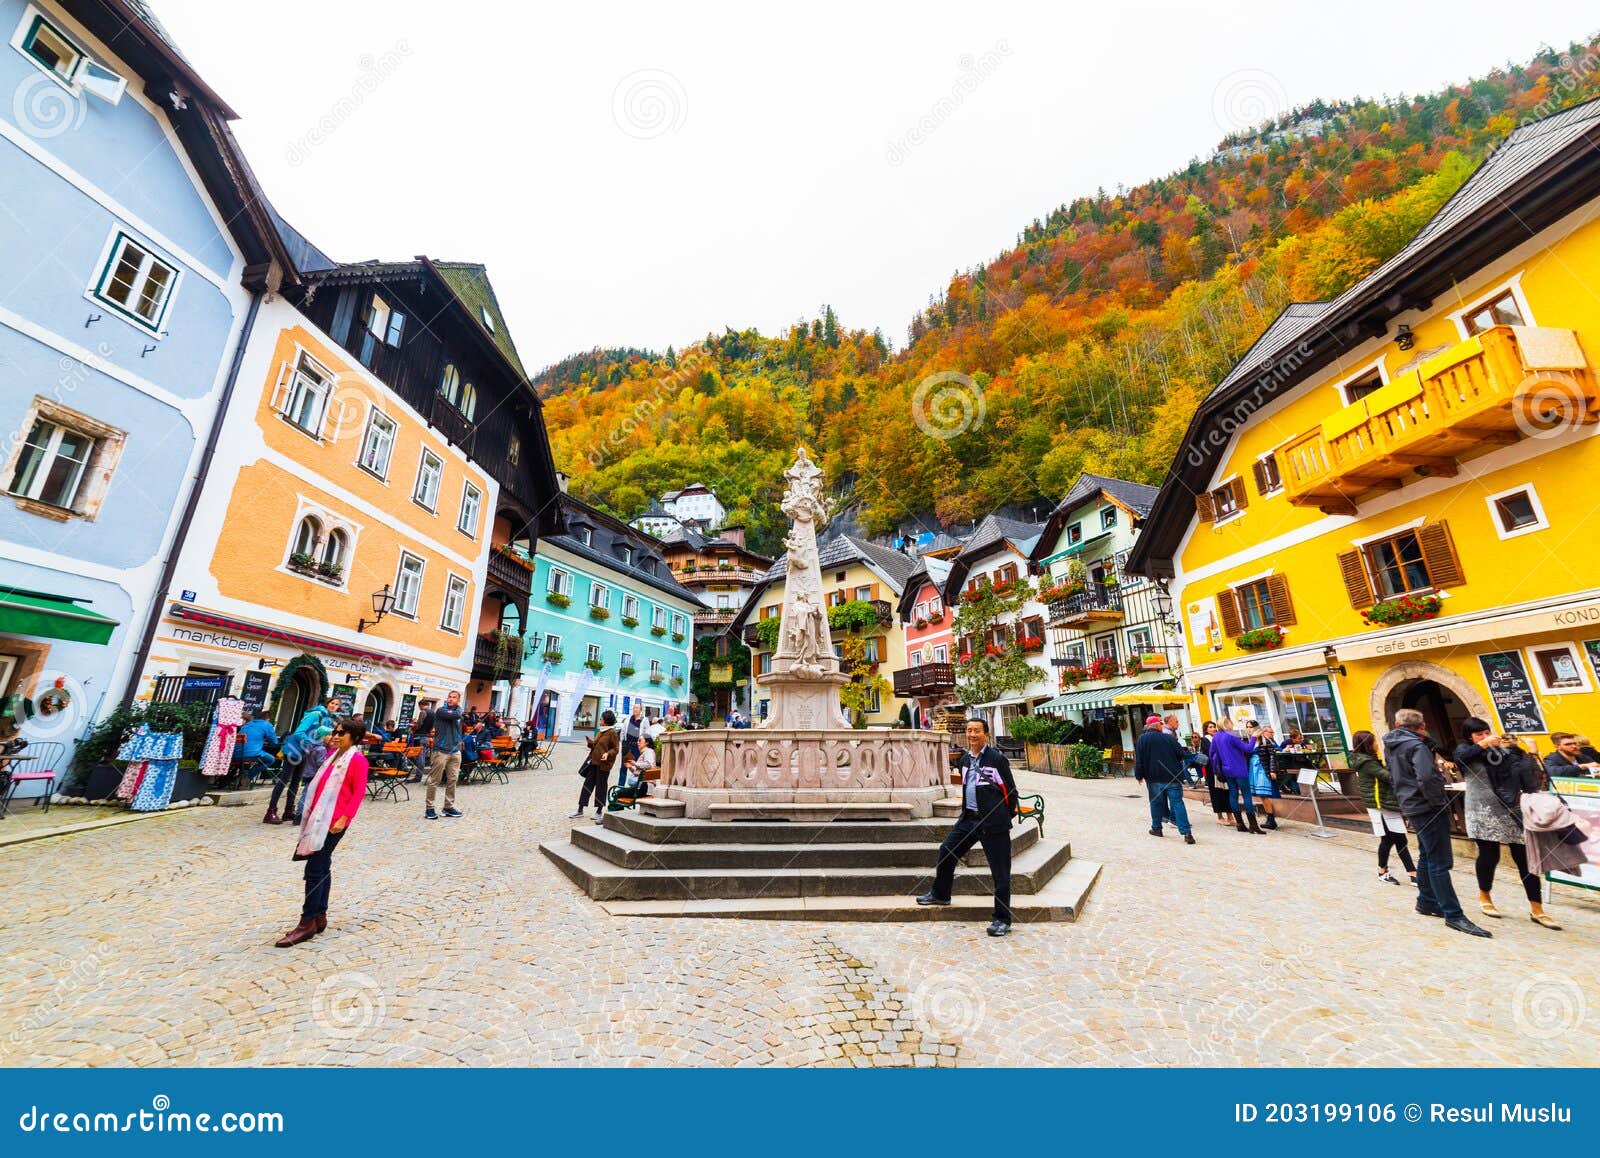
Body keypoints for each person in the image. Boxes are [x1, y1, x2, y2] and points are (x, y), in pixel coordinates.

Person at [1385, 708, 1491, 938]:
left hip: (1410, 804)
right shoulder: (1417, 746)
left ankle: (1427, 901)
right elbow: (1425, 777)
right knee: (1439, 862)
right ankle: (1453, 914)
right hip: (1427, 806)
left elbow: (1395, 776)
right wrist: (1439, 802)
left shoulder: (1392, 744)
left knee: (1427, 854)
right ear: (1422, 726)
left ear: (1396, 724)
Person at [916, 717, 1018, 937]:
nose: (972, 735)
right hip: (969, 819)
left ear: (986, 734)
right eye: (969, 731)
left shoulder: (997, 759)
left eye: (977, 731)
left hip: (992, 822)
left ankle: (1002, 919)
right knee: (947, 850)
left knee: (1000, 872)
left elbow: (1011, 792)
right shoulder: (963, 760)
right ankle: (941, 894)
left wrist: (1002, 816)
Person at [1453, 719, 1559, 930]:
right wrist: (1483, 745)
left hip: (1511, 808)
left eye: (1486, 732)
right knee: (1490, 855)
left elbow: (1529, 777)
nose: (1484, 736)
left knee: (1524, 858)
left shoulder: (1505, 751)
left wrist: (1530, 752)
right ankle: (1485, 895)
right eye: (1478, 734)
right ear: (1470, 737)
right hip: (1483, 809)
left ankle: (1537, 909)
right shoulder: (1465, 749)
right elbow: (1460, 759)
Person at [275, 716, 370, 947]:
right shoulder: (334, 757)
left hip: (334, 821)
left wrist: (345, 818)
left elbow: (357, 793)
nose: (335, 736)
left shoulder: (357, 760)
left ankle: (306, 922)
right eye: (335, 732)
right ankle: (319, 916)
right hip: (319, 818)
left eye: (341, 734)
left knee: (315, 868)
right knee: (321, 866)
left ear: (354, 738)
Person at [1350, 729, 1416, 886]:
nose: (1376, 744)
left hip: (1385, 804)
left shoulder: (1368, 760)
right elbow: (1387, 777)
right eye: (1373, 741)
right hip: (1379, 805)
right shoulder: (1367, 763)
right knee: (1388, 840)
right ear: (1367, 744)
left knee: (1400, 838)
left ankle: (1413, 873)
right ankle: (1383, 871)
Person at [265, 699, 335, 825]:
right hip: (294, 750)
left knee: (296, 781)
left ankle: (288, 810)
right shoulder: (315, 715)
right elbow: (299, 732)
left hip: (304, 752)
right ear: (326, 704)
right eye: (332, 703)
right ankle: (271, 811)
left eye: (337, 705)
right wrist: (309, 743)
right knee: (284, 780)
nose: (334, 706)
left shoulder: (326, 719)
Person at [1135, 714, 1195, 843]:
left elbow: (1139, 760)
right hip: (1172, 777)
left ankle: (1157, 828)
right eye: (1161, 724)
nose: (1163, 726)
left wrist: (1139, 775)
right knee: (1178, 803)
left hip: (1154, 777)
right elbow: (1181, 755)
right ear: (1157, 725)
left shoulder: (1142, 739)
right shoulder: (1169, 738)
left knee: (1156, 803)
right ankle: (1187, 833)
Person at [415, 690, 465, 821]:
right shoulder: (442, 711)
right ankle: (429, 808)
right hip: (441, 751)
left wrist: (458, 744)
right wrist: (459, 709)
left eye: (454, 697)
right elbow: (455, 714)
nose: (451, 699)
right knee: (434, 780)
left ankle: (448, 807)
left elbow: (459, 729)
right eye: (449, 697)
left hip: (455, 751)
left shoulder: (458, 714)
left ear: (458, 699)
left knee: (452, 780)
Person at [1210, 716, 1261, 834]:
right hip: (1239, 768)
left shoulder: (1216, 737)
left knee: (1233, 794)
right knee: (1246, 795)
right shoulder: (1232, 736)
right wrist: (1254, 737)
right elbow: (1248, 749)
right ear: (1228, 724)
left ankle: (1240, 824)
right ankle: (1253, 825)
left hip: (1226, 769)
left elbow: (1212, 753)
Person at [573, 710, 620, 823]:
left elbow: (616, 749)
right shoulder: (600, 731)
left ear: (606, 720)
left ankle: (599, 811)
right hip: (593, 763)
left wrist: (607, 754)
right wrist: (590, 743)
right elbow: (596, 745)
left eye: (601, 719)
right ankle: (580, 809)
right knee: (587, 786)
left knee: (601, 787)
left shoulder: (612, 733)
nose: (600, 720)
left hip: (603, 765)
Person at [1248, 724, 1281, 830]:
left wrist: (1272, 770)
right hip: (1254, 769)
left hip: (1262, 768)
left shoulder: (1265, 740)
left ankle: (1271, 819)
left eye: (1251, 726)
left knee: (1264, 794)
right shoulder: (1251, 741)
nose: (1249, 729)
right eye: (1247, 726)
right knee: (1261, 795)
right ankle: (1270, 818)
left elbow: (1272, 755)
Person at [1198, 720, 1230, 825]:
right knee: (1216, 792)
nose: (1213, 729)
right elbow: (1210, 753)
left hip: (1223, 768)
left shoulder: (1218, 737)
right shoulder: (1205, 740)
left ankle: (1230, 815)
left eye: (1214, 727)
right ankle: (1220, 816)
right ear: (1206, 729)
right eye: (1210, 727)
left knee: (1226, 791)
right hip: (1212, 770)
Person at [234, 708, 279, 782]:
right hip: (251, 754)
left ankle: (242, 776)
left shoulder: (248, 724)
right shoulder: (267, 725)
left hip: (235, 754)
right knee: (270, 759)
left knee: (252, 752)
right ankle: (247, 777)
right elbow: (274, 742)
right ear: (267, 719)